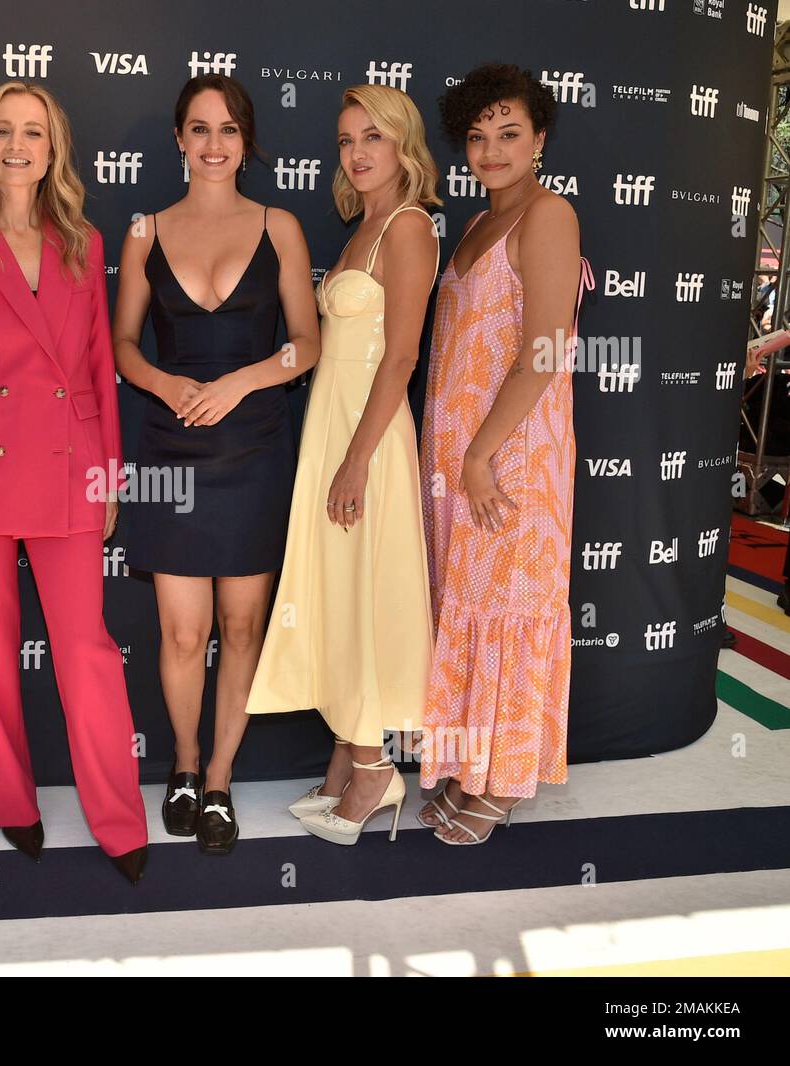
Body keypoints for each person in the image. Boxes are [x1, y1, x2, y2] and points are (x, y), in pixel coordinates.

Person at [0, 81, 148, 884]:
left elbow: (94, 373)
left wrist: (110, 478)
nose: (19, 146)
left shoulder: (82, 242)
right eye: (4, 131)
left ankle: (119, 820)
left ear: (55, 150)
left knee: (87, 650)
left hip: (70, 473)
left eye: (35, 133)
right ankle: (10, 803)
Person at [113, 75, 320, 854]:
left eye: (228, 129)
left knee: (242, 627)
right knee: (178, 632)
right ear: (178, 140)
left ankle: (224, 781)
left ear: (247, 142)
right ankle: (186, 766)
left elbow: (309, 340)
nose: (212, 143)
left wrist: (244, 379)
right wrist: (167, 382)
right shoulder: (144, 232)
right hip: (173, 449)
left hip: (257, 444)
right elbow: (123, 346)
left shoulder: (282, 228)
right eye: (198, 128)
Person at [245, 84, 441, 846]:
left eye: (373, 138)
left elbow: (400, 358)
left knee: (362, 592)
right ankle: (344, 764)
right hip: (333, 426)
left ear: (403, 146)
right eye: (345, 140)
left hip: (371, 436)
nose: (357, 153)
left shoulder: (409, 227)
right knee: (339, 592)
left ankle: (375, 771)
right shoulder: (358, 228)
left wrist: (357, 462)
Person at [416, 64, 584, 845]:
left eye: (508, 133)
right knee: (466, 607)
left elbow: (546, 347)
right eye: (478, 138)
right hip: (459, 454)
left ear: (539, 137)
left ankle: (505, 781)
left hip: (510, 456)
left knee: (508, 611)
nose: (492, 150)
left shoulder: (548, 216)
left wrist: (481, 456)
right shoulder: (475, 224)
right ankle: (463, 766)